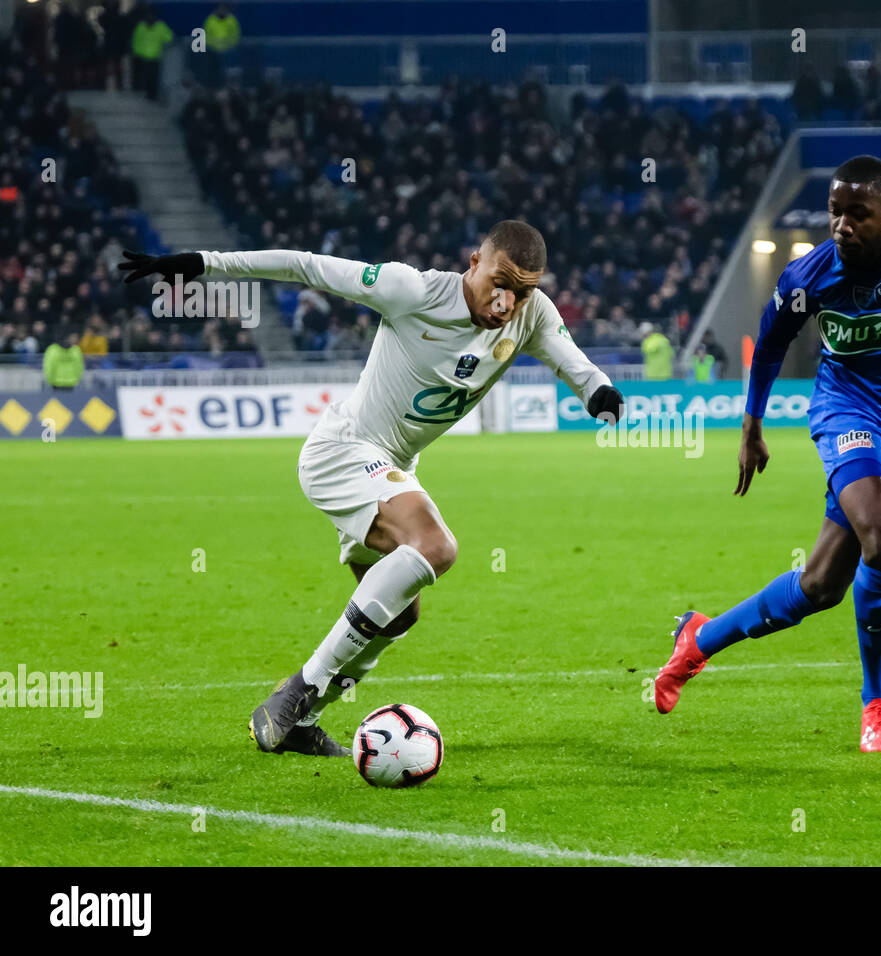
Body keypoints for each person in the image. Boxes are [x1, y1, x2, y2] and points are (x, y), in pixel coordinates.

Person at [118, 220, 625, 757]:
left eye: (521, 291)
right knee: (436, 547)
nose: (506, 302)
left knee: (400, 612)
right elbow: (305, 264)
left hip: (392, 469)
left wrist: (601, 395)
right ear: (473, 261)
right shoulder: (411, 290)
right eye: (499, 282)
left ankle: (299, 724)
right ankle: (298, 691)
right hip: (343, 452)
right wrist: (203, 263)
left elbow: (576, 364)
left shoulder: (531, 314)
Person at [653, 155, 881, 752]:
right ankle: (877, 702)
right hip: (844, 411)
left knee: (823, 583)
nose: (842, 226)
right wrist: (751, 425)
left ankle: (698, 639)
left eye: (858, 214)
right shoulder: (808, 277)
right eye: (834, 213)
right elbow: (771, 345)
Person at [131, 5, 173, 101]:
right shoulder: (141, 26)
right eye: (148, 15)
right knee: (147, 77)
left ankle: (152, 94)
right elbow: (136, 40)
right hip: (144, 57)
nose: (149, 17)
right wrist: (136, 53)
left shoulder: (160, 26)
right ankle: (148, 93)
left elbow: (169, 38)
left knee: (154, 77)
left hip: (156, 57)